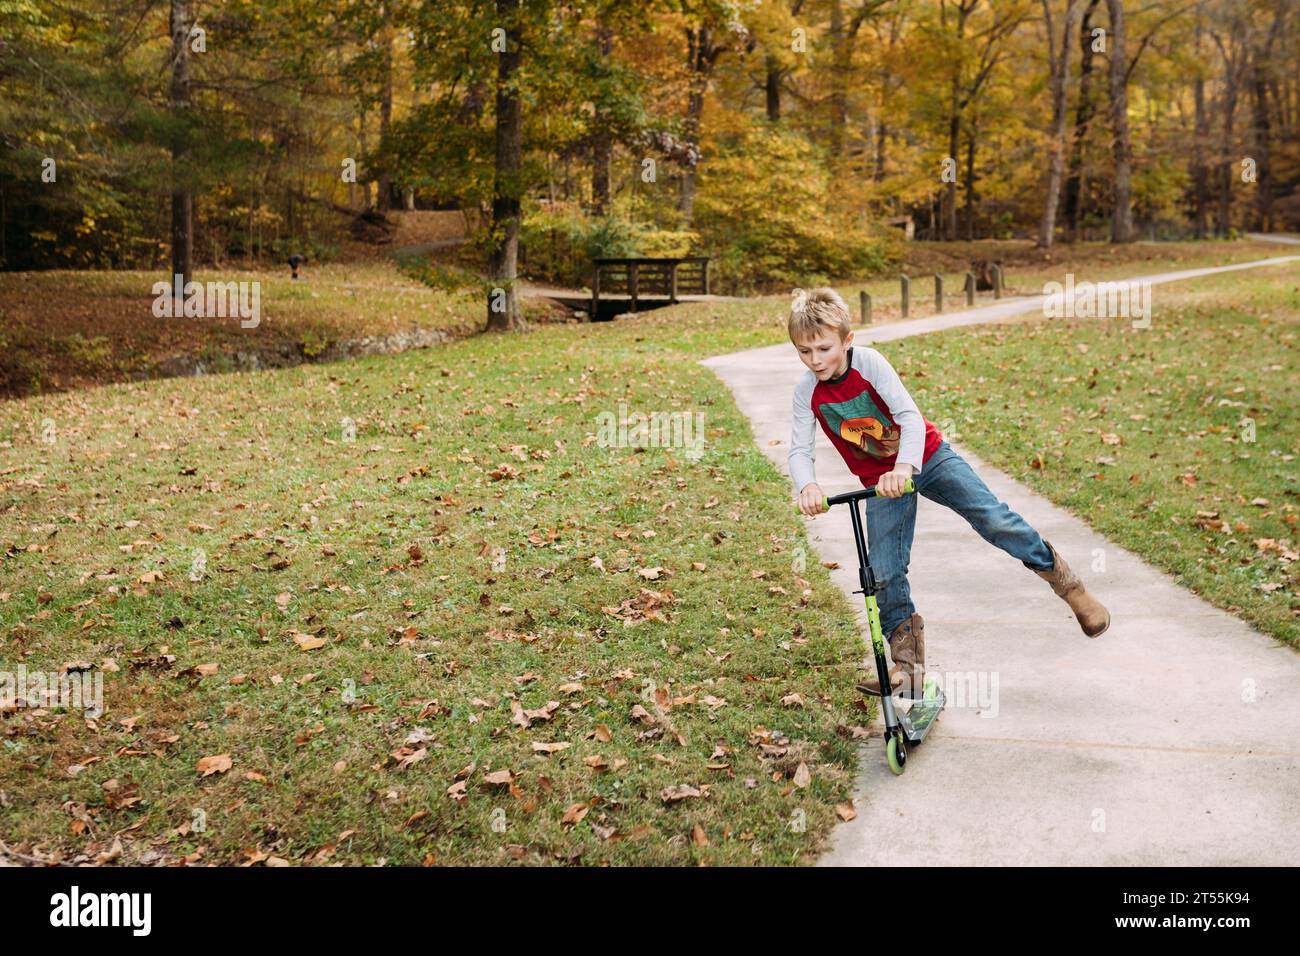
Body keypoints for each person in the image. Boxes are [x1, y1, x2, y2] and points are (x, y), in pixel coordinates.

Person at [788, 288, 1110, 698]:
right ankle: (907, 667)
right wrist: (808, 485)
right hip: (882, 484)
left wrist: (904, 465)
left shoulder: (868, 363)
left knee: (993, 519)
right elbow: (799, 448)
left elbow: (907, 416)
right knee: (884, 572)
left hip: (926, 456)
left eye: (823, 348)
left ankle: (1069, 586)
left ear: (847, 340)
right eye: (804, 352)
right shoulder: (807, 391)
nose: (815, 360)